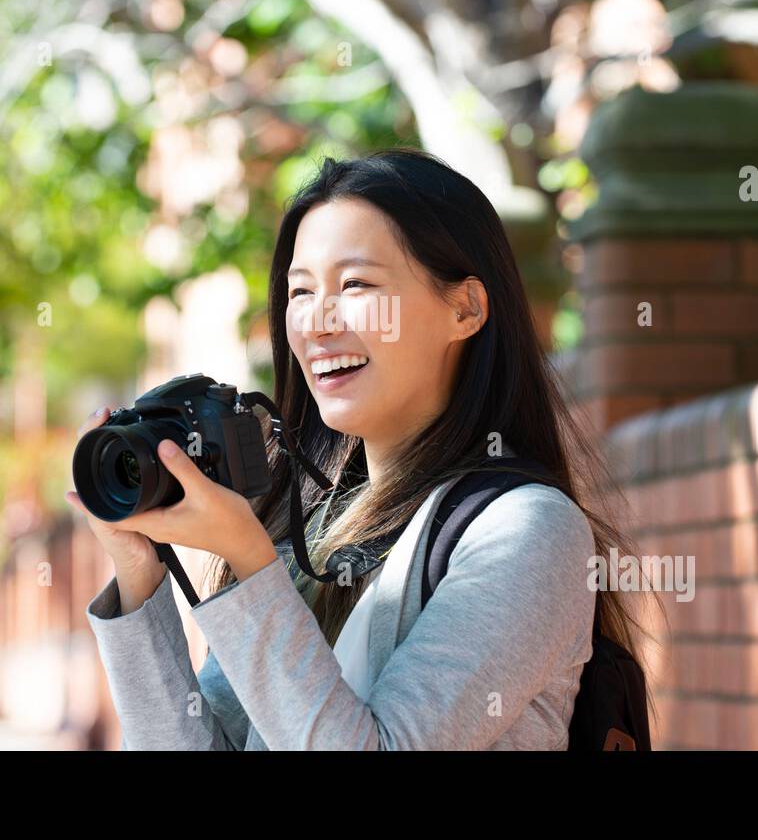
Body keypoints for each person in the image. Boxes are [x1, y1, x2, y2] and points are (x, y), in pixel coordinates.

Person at [67, 147, 654, 750]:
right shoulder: (313, 534)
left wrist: (249, 562)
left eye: (355, 284)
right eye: (299, 292)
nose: (316, 323)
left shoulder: (525, 529)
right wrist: (139, 572)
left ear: (465, 308)